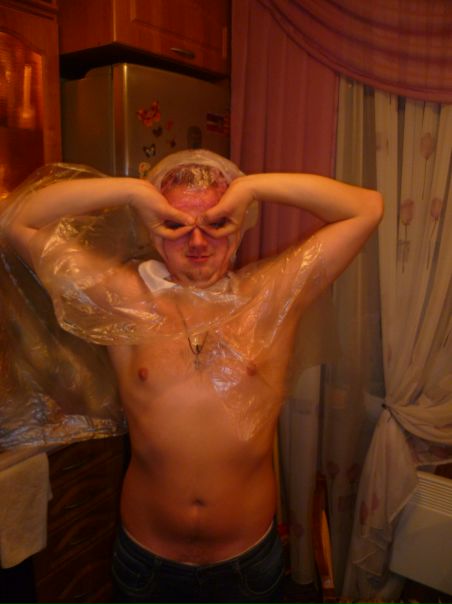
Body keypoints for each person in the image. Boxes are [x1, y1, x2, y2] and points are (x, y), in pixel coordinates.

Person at [3, 149, 383, 604]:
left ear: (239, 226)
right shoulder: (124, 302)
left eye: (217, 223)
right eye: (176, 224)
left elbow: (366, 208)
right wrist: (133, 192)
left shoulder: (271, 297)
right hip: (147, 562)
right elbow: (15, 221)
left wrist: (251, 188)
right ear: (153, 230)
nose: (198, 241)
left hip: (245, 564)